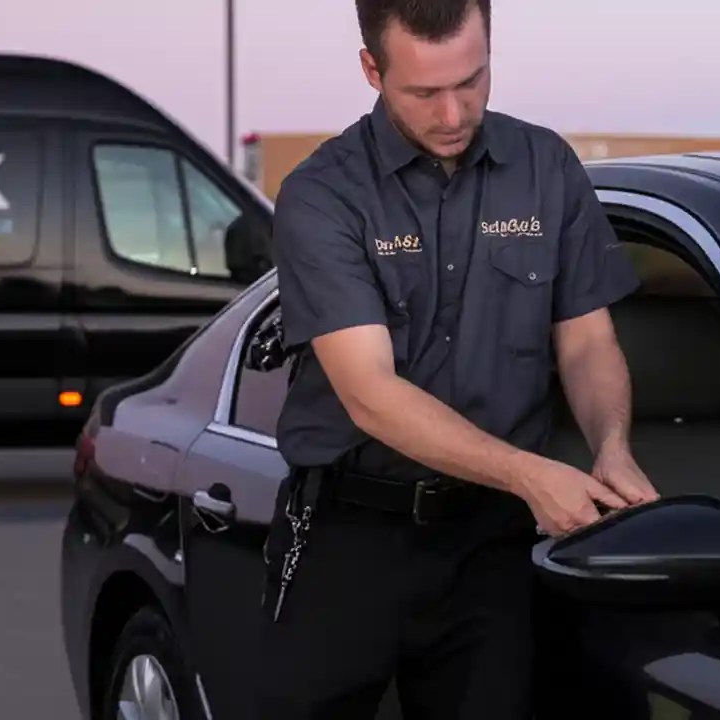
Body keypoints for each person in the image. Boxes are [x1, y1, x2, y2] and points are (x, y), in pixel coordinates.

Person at [256, 0, 659, 717]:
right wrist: (532, 474)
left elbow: (588, 340)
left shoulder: (546, 168)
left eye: (471, 81)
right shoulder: (323, 195)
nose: (453, 113)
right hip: (350, 537)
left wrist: (612, 444)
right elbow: (370, 393)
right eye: (424, 92)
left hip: (491, 546)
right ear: (371, 70)